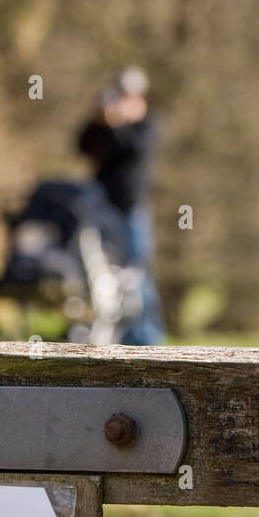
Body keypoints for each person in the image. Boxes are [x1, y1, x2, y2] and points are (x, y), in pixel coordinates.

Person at [77, 67, 165, 344]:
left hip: (130, 211)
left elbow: (133, 151)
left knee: (136, 274)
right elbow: (82, 146)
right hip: (100, 210)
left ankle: (146, 338)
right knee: (105, 272)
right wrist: (97, 121)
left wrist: (117, 124)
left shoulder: (148, 125)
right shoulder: (106, 127)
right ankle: (118, 336)